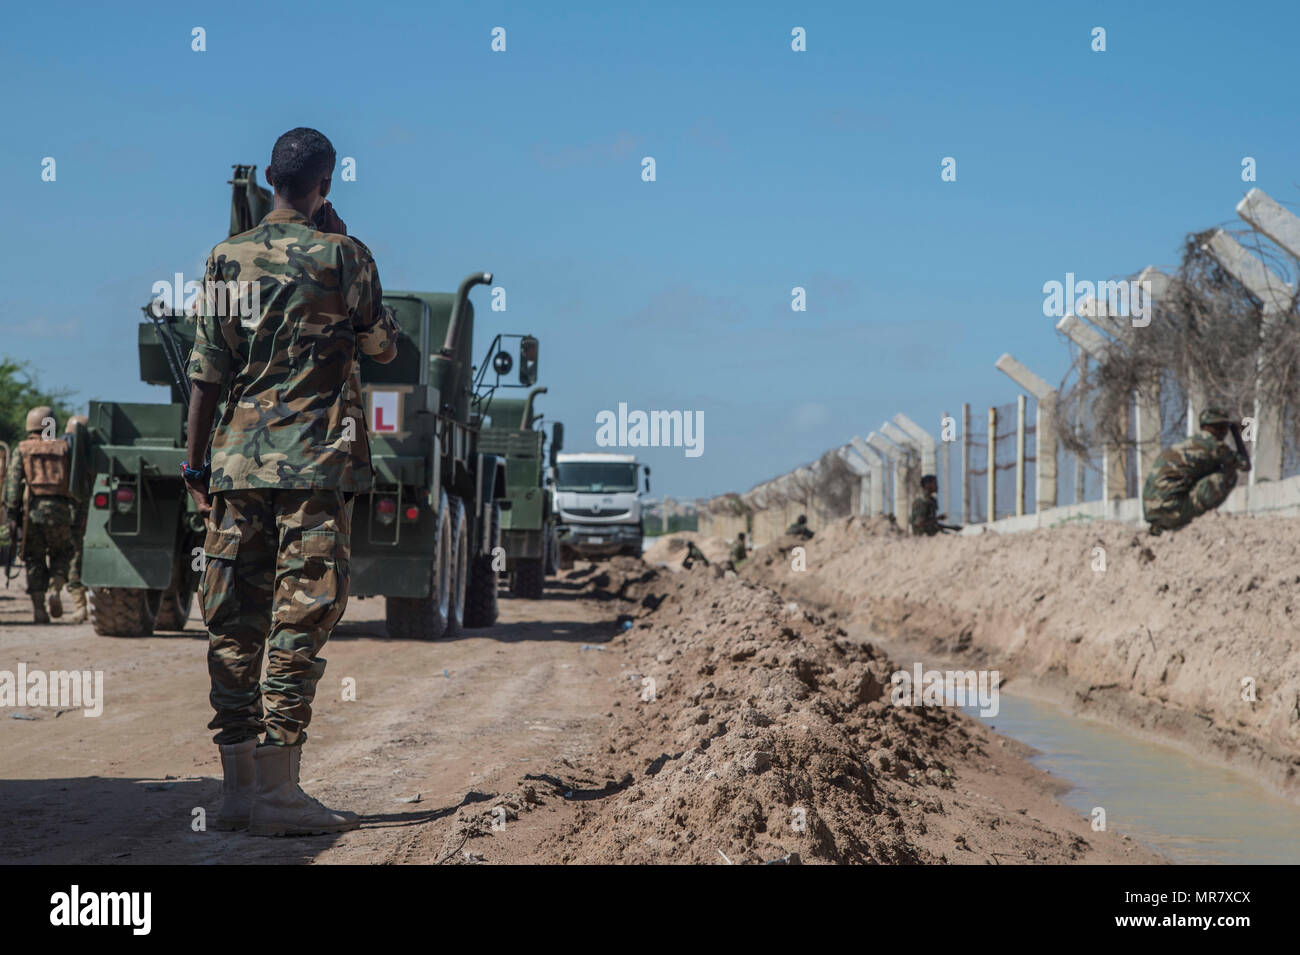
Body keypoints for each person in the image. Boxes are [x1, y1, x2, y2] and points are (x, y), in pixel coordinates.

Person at [183, 127, 399, 836]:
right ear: (324, 186)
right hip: (313, 465)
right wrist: (344, 244)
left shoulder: (224, 258)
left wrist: (195, 465)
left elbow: (207, 370)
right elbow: (382, 342)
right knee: (299, 620)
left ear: (272, 178)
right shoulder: (345, 255)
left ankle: (238, 792)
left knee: (231, 618)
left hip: (236, 463)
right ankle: (279, 791)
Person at [2, 407, 77, 623]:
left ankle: (39, 609)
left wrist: (12, 512)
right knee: (63, 553)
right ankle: (55, 586)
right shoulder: (64, 448)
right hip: (62, 512)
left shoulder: (23, 449)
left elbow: (13, 485)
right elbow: (74, 483)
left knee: (34, 559)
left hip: (32, 513)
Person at [1142, 408, 1249, 536]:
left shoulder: (1190, 443)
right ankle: (1198, 521)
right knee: (1229, 474)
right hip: (1173, 510)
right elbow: (1245, 465)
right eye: (1225, 428)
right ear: (1220, 428)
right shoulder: (1214, 445)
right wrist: (1236, 433)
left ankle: (1162, 525)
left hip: (1152, 511)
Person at [64, 415, 90, 623]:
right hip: (81, 516)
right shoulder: (91, 452)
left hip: (55, 512)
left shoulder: (57, 449)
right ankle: (80, 605)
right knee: (75, 557)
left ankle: (46, 597)